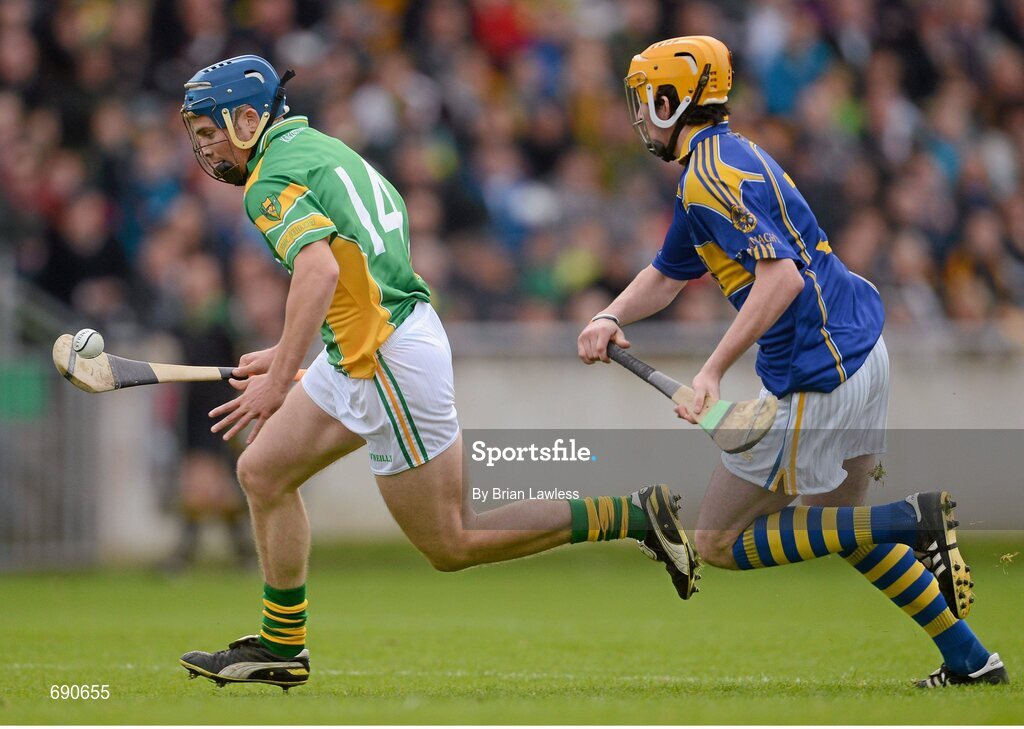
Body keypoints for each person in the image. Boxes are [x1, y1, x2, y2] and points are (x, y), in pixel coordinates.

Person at [175, 55, 697, 690]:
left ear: (249, 118)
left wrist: (282, 377)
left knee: (453, 542)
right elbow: (360, 265)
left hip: (388, 358)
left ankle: (632, 514)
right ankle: (282, 645)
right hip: (368, 348)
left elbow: (320, 271)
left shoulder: (268, 181)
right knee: (262, 472)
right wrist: (300, 352)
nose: (204, 149)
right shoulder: (319, 148)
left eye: (209, 132)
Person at [577, 36, 1008, 688]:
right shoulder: (730, 157)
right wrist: (610, 315)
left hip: (817, 375)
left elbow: (782, 283)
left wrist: (712, 369)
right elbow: (669, 274)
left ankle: (910, 519)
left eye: (645, 100)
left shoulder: (707, 178)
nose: (639, 115)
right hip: (862, 351)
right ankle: (972, 659)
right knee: (841, 529)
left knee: (716, 540)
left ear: (674, 100)